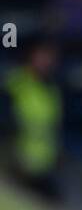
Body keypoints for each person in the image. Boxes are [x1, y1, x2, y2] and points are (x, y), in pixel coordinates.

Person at [3, 41, 63, 201]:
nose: (46, 62)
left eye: (50, 58)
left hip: (44, 165)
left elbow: (54, 127)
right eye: (42, 56)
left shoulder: (52, 88)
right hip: (18, 163)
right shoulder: (16, 82)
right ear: (31, 56)